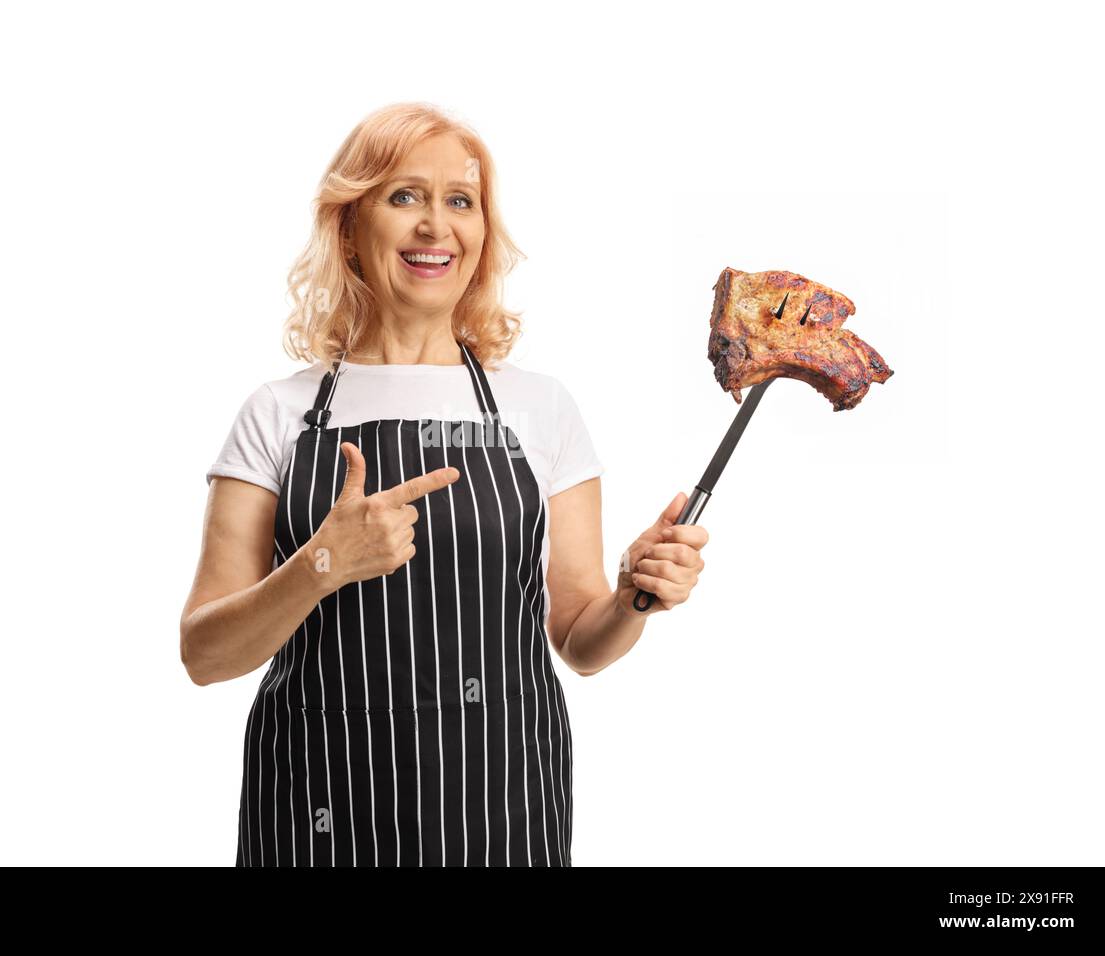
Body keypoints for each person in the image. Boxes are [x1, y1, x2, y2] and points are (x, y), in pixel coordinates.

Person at [180, 102, 710, 867]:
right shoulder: (279, 414)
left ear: (482, 236)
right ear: (349, 229)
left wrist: (635, 593)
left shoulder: (540, 408)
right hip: (320, 805)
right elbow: (204, 654)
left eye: (459, 202)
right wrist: (322, 564)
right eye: (404, 197)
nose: (436, 226)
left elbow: (581, 643)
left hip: (500, 807)